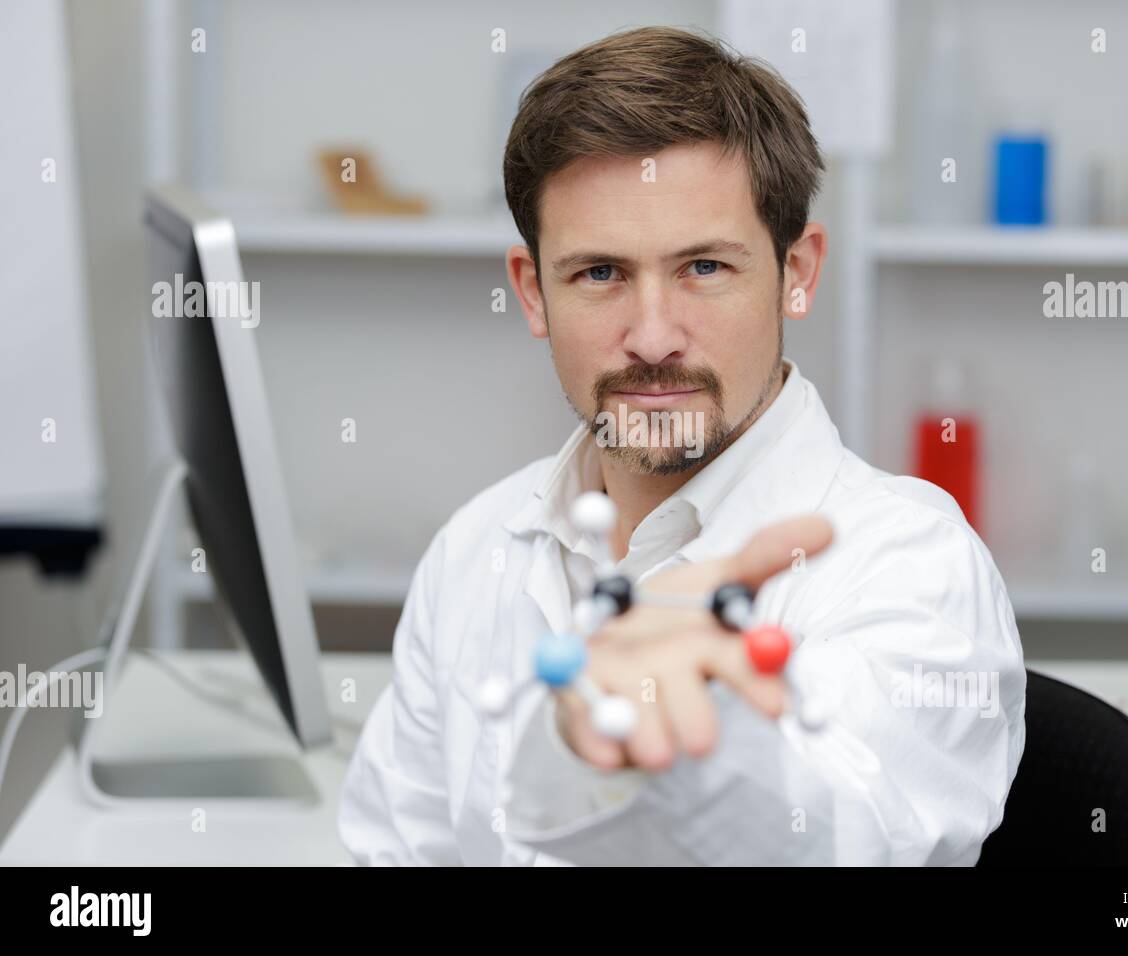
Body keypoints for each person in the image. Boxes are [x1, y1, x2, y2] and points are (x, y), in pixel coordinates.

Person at [338, 25, 1025, 866]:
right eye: (600, 274)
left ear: (799, 272)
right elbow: (393, 851)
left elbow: (855, 833)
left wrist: (687, 740)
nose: (654, 337)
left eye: (704, 268)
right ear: (532, 293)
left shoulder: (913, 564)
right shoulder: (474, 549)